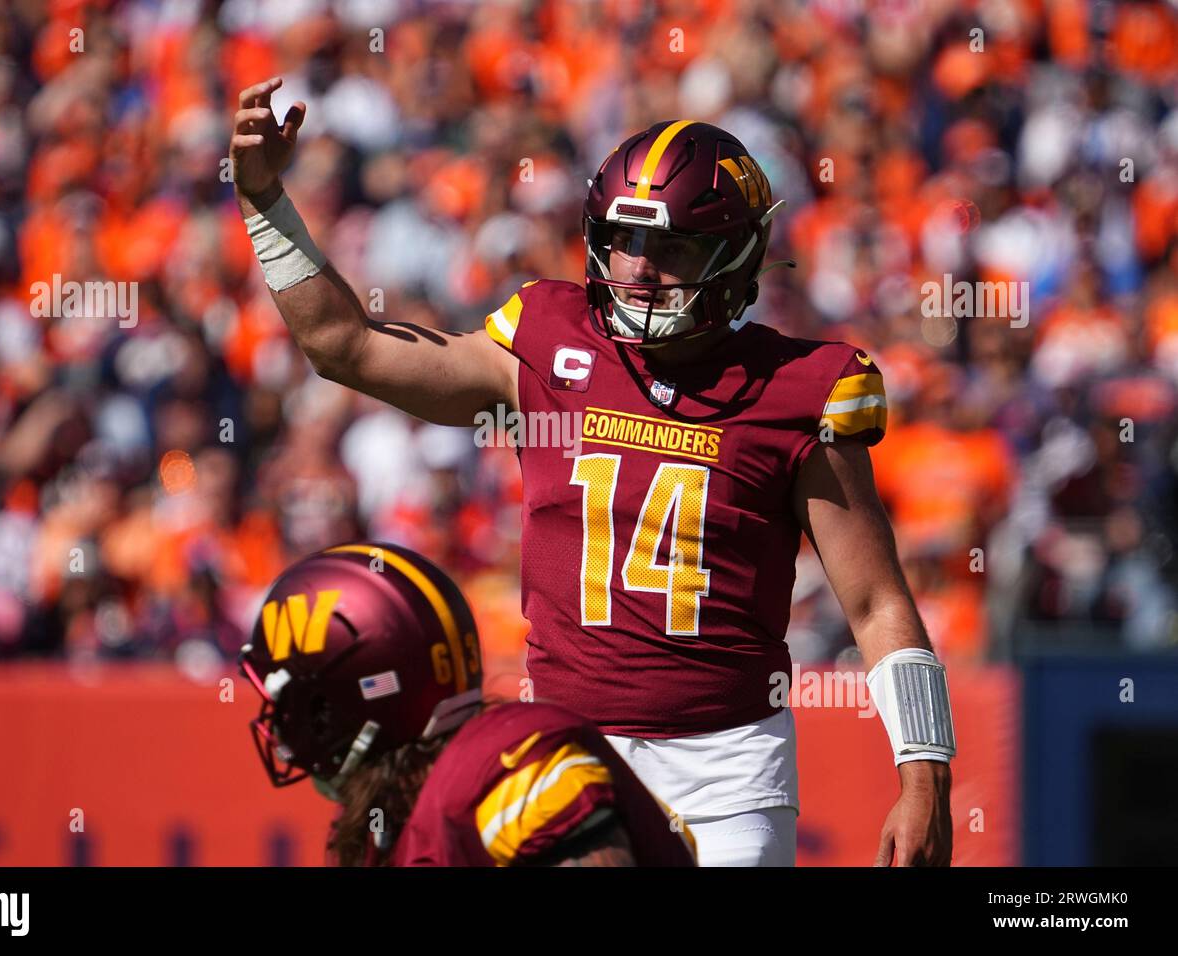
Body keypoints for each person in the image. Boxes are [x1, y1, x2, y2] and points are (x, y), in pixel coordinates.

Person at [230, 79, 955, 866]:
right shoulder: (546, 339)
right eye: (623, 239)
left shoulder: (801, 388)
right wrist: (266, 198)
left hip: (725, 774)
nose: (639, 268)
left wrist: (926, 778)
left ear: (735, 254)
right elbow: (345, 346)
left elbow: (877, 602)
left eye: (670, 246)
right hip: (561, 753)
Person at [240, 542, 697, 866]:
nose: (278, 725)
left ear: (331, 707)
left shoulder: (509, 775)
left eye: (291, 704)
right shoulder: (379, 820)